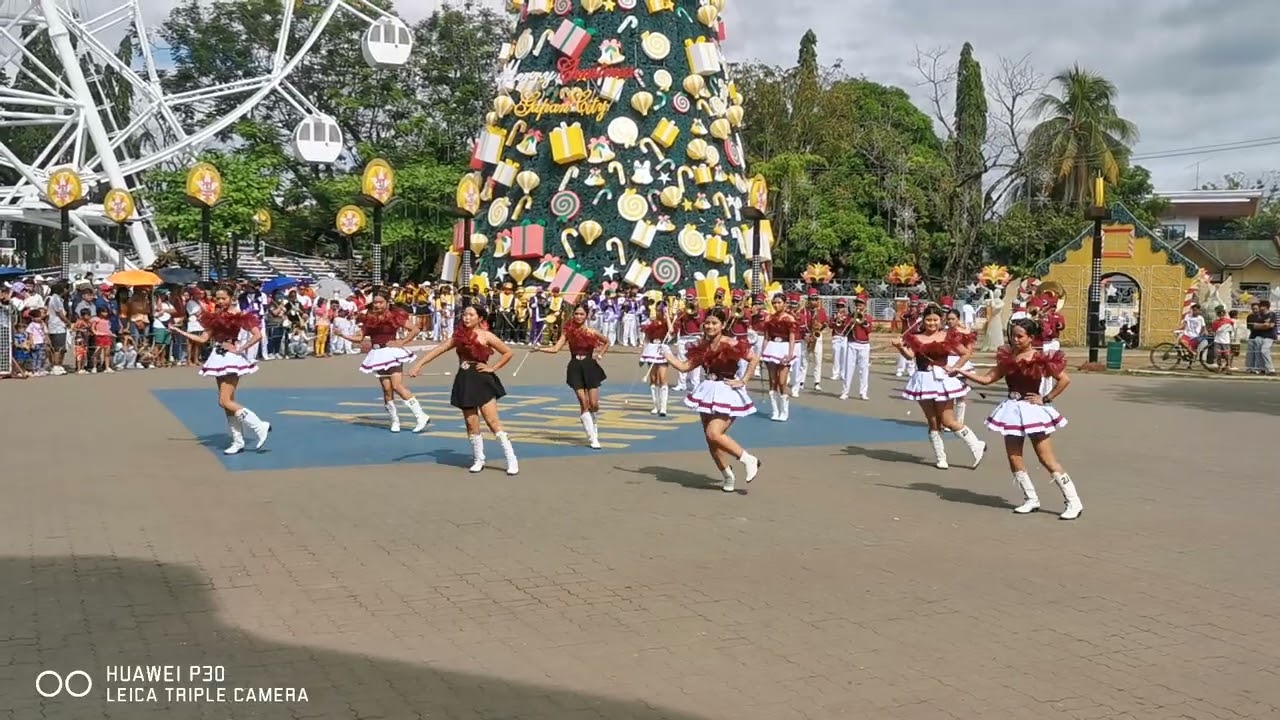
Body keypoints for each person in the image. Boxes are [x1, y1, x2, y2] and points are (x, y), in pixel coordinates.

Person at [956, 318, 1081, 520]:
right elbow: (988, 379)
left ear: (1031, 338)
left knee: (1046, 459)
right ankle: (1031, 499)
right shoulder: (1007, 358)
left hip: (1033, 411)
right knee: (1014, 457)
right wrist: (962, 372)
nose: (1015, 339)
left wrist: (1046, 398)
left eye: (1020, 336)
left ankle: (1073, 501)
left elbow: (1065, 379)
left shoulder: (1040, 359)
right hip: (1011, 411)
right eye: (1013, 335)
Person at [408, 305, 519, 475]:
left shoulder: (486, 335)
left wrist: (493, 368)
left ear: (480, 318)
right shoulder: (458, 336)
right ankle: (478, 458)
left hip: (483, 379)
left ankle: (511, 458)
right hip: (465, 379)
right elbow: (439, 349)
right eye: (465, 314)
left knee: (492, 421)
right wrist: (419, 364)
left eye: (471, 315)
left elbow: (507, 352)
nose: (466, 318)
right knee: (470, 423)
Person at [661, 308, 762, 492]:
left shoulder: (731, 343)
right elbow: (685, 367)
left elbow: (753, 358)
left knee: (714, 433)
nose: (709, 326)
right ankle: (727, 475)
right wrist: (667, 354)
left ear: (723, 325)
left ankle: (749, 459)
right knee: (711, 441)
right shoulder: (703, 345)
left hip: (727, 391)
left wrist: (744, 380)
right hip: (707, 391)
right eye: (707, 322)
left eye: (714, 323)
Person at [167, 285, 271, 454]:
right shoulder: (213, 318)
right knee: (225, 402)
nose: (220, 301)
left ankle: (259, 425)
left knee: (225, 401)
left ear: (231, 298)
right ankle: (238, 441)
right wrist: (180, 332)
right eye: (217, 298)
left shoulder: (239, 316)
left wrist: (241, 348)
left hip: (231, 358)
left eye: (223, 298)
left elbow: (257, 334)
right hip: (217, 356)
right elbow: (202, 339)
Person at [891, 305, 986, 470]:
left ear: (940, 320)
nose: (932, 323)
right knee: (933, 421)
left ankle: (976, 444)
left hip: (942, 380)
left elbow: (965, 353)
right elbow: (910, 356)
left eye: (935, 320)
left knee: (948, 420)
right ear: (923, 320)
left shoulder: (947, 335)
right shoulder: (916, 337)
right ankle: (941, 457)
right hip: (923, 380)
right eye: (928, 320)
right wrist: (899, 347)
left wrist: (955, 367)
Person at [332, 292, 430, 433]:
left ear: (387, 303)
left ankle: (421, 416)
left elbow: (414, 329)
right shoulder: (369, 318)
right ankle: (394, 420)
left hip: (392, 352)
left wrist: (401, 342)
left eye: (381, 302)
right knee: (386, 389)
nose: (378, 305)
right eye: (376, 302)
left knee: (397, 385)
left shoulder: (395, 316)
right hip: (377, 354)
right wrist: (342, 335)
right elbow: (360, 338)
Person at [537, 304, 610, 449]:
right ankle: (592, 438)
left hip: (590, 366)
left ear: (586, 316)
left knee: (594, 404)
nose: (578, 317)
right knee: (584, 402)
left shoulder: (591, 331)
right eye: (576, 314)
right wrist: (539, 348)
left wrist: (600, 355)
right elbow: (555, 349)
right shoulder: (568, 332)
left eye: (582, 314)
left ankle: (594, 423)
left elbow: (607, 341)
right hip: (575, 367)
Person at [758, 293, 798, 421]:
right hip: (772, 347)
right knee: (772, 381)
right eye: (774, 302)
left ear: (785, 304)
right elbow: (766, 337)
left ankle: (784, 411)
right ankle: (775, 410)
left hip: (784, 347)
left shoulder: (789, 319)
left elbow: (792, 337)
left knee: (782, 381)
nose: (776, 305)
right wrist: (761, 354)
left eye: (779, 302)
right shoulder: (769, 318)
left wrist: (790, 353)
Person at [836, 294, 873, 400]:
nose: (858, 306)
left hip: (864, 345)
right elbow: (845, 331)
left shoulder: (868, 317)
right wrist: (850, 321)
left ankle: (863, 392)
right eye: (857, 304)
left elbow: (869, 330)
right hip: (852, 343)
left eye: (860, 304)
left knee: (863, 369)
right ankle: (845, 392)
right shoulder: (850, 316)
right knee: (849, 369)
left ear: (865, 306)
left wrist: (863, 321)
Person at [639, 301, 673, 416]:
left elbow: (671, 330)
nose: (659, 312)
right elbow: (646, 339)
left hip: (662, 349)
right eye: (658, 310)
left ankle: (663, 407)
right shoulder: (651, 324)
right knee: (653, 379)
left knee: (662, 377)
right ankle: (655, 405)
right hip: (651, 350)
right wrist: (642, 356)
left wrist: (667, 315)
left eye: (661, 310)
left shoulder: (666, 323)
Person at [944, 307, 977, 424]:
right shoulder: (945, 332)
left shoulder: (965, 332)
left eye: (953, 319)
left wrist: (958, 365)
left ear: (958, 319)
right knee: (948, 394)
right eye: (948, 319)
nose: (950, 321)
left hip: (961, 362)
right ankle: (949, 420)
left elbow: (969, 351)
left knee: (961, 394)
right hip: (947, 362)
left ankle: (959, 421)